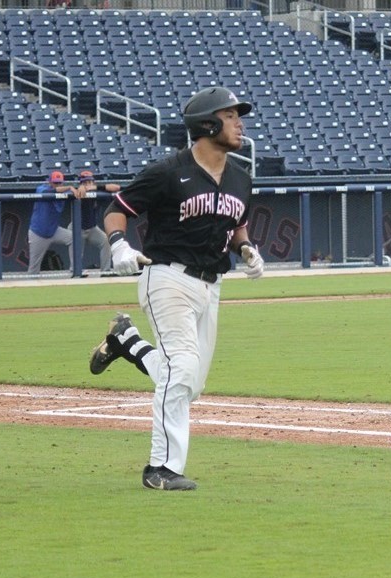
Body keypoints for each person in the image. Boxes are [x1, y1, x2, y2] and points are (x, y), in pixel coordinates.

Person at [88, 86, 264, 491]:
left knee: (190, 385)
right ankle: (160, 469)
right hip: (166, 277)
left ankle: (126, 342)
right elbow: (117, 209)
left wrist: (247, 248)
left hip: (211, 284)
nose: (239, 123)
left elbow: (237, 224)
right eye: (231, 115)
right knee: (181, 370)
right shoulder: (168, 171)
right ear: (206, 124)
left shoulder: (240, 177)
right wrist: (118, 245)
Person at [27, 170, 87, 274]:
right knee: (33, 270)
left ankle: (75, 269)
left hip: (54, 230)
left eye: (60, 182)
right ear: (50, 182)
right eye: (55, 182)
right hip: (38, 233)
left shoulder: (64, 191)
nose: (57, 184)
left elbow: (78, 193)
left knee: (74, 238)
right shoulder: (41, 189)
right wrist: (69, 187)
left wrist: (81, 188)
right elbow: (48, 193)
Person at [77, 170, 119, 273]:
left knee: (106, 242)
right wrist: (82, 188)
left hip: (92, 228)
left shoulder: (97, 190)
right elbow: (77, 191)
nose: (87, 184)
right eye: (85, 182)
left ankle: (105, 271)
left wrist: (95, 187)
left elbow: (116, 187)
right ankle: (75, 273)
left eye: (90, 181)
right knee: (77, 253)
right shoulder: (78, 190)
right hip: (77, 228)